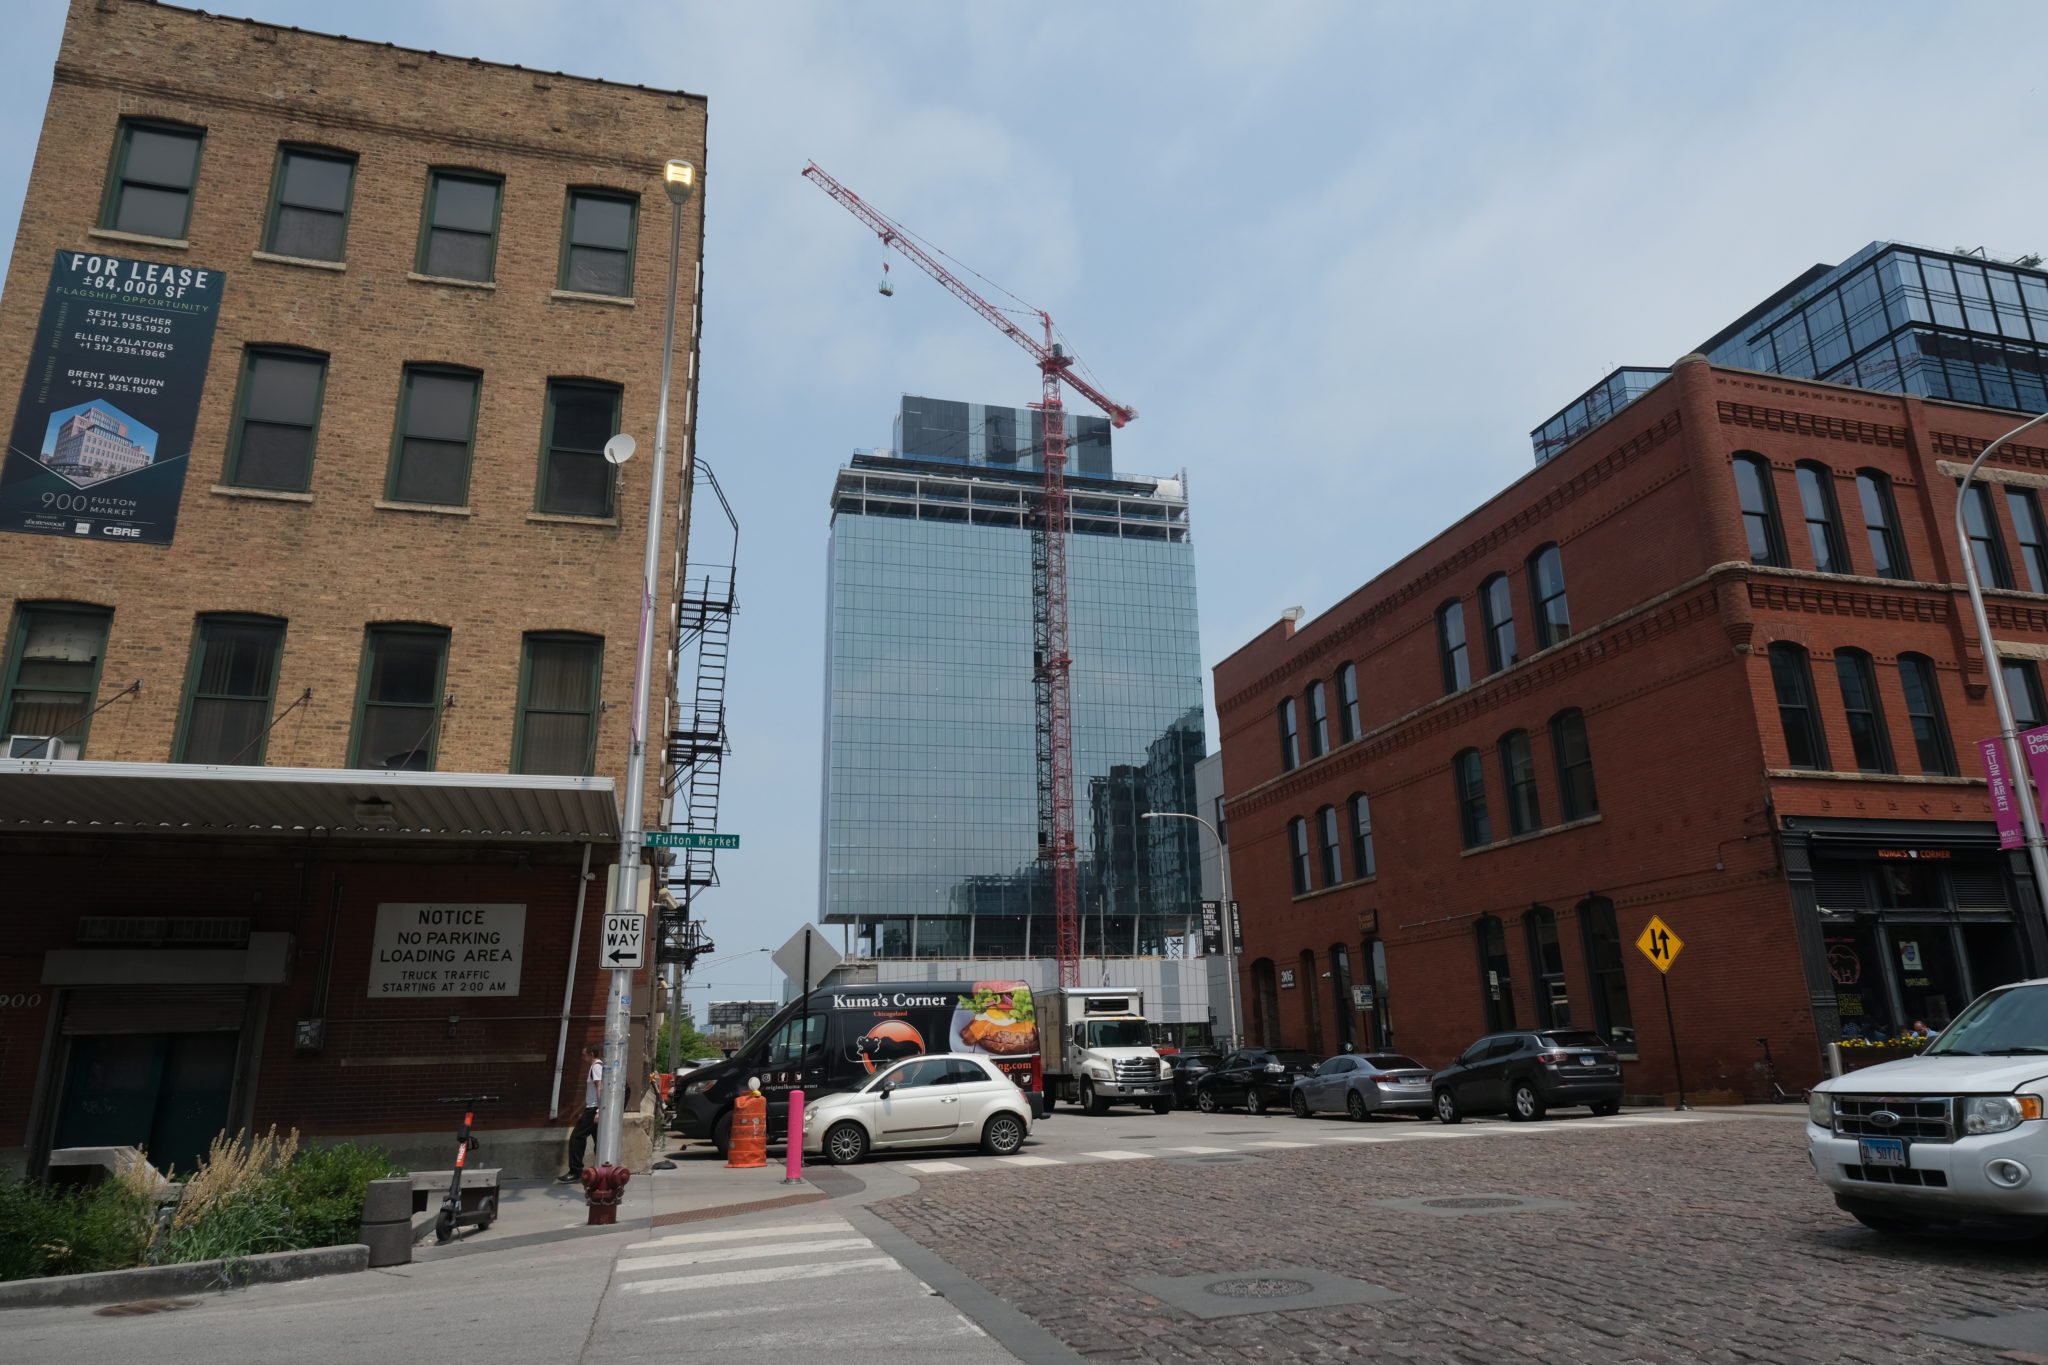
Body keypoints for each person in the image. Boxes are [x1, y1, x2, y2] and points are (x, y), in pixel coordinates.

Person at [560, 1043, 601, 1182]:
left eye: (584, 1054)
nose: (582, 1057)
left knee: (576, 1138)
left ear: (592, 1054)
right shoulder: (595, 1067)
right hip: (592, 1108)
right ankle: (601, 1169)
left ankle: (575, 1171)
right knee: (599, 1141)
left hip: (593, 1110)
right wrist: (581, 1109)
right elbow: (592, 1093)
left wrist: (599, 1110)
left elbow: (599, 1089)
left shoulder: (596, 1067)